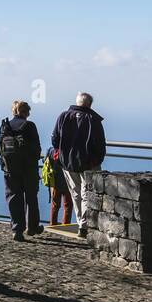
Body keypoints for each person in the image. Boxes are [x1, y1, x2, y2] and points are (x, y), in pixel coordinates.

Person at [50, 92, 107, 238]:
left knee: (75, 194)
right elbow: (100, 144)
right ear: (89, 104)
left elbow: (55, 138)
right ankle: (84, 225)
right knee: (86, 193)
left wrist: (61, 153)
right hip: (88, 163)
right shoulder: (93, 119)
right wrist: (97, 160)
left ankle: (81, 223)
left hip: (67, 162)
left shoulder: (63, 116)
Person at [0, 101, 43, 241]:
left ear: (13, 111)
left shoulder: (6, 126)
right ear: (27, 112)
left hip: (10, 168)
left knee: (13, 197)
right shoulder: (29, 126)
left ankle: (17, 229)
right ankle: (32, 227)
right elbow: (37, 150)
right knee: (31, 198)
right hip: (28, 169)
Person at [43, 148, 73, 226]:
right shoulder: (69, 150)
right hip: (68, 182)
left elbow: (45, 161)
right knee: (68, 206)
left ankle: (53, 224)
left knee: (55, 205)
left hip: (55, 182)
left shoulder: (50, 150)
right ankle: (66, 224)